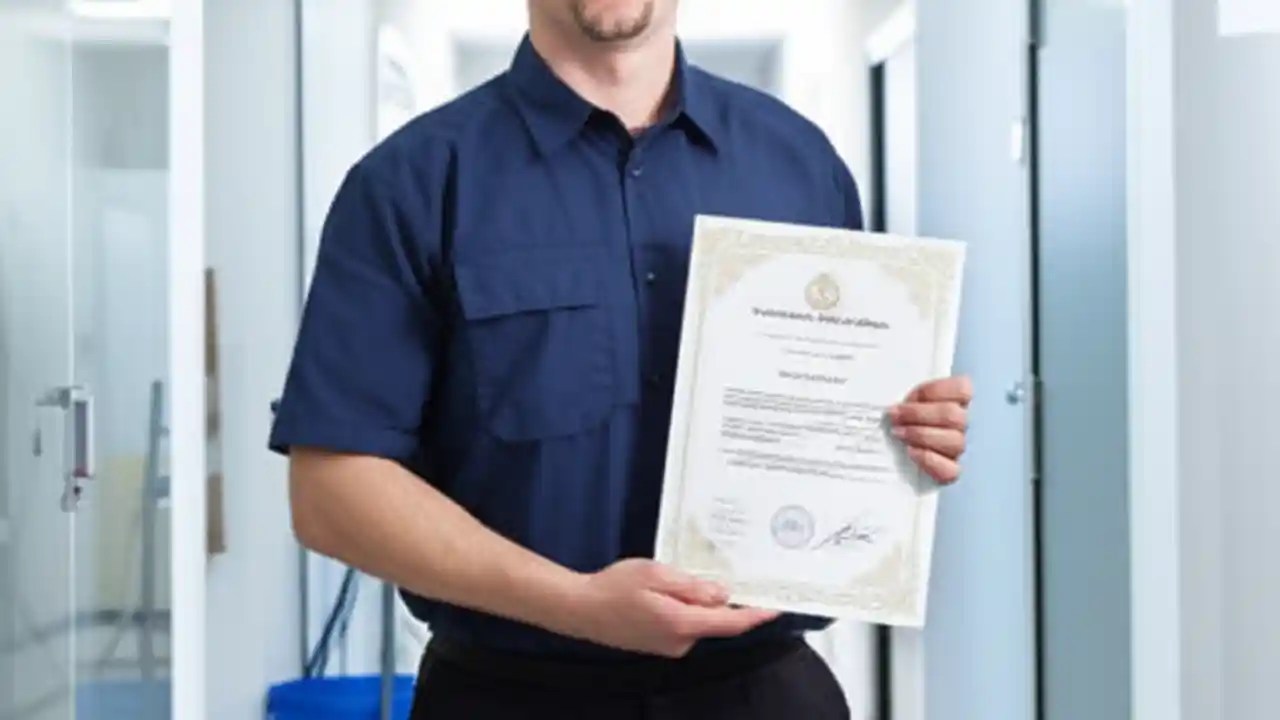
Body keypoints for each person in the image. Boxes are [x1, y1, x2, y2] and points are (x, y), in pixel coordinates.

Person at [269, 1, 972, 717]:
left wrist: (906, 434)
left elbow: (845, 408)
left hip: (766, 693)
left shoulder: (798, 162)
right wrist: (573, 603)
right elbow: (331, 492)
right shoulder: (410, 182)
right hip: (509, 696)